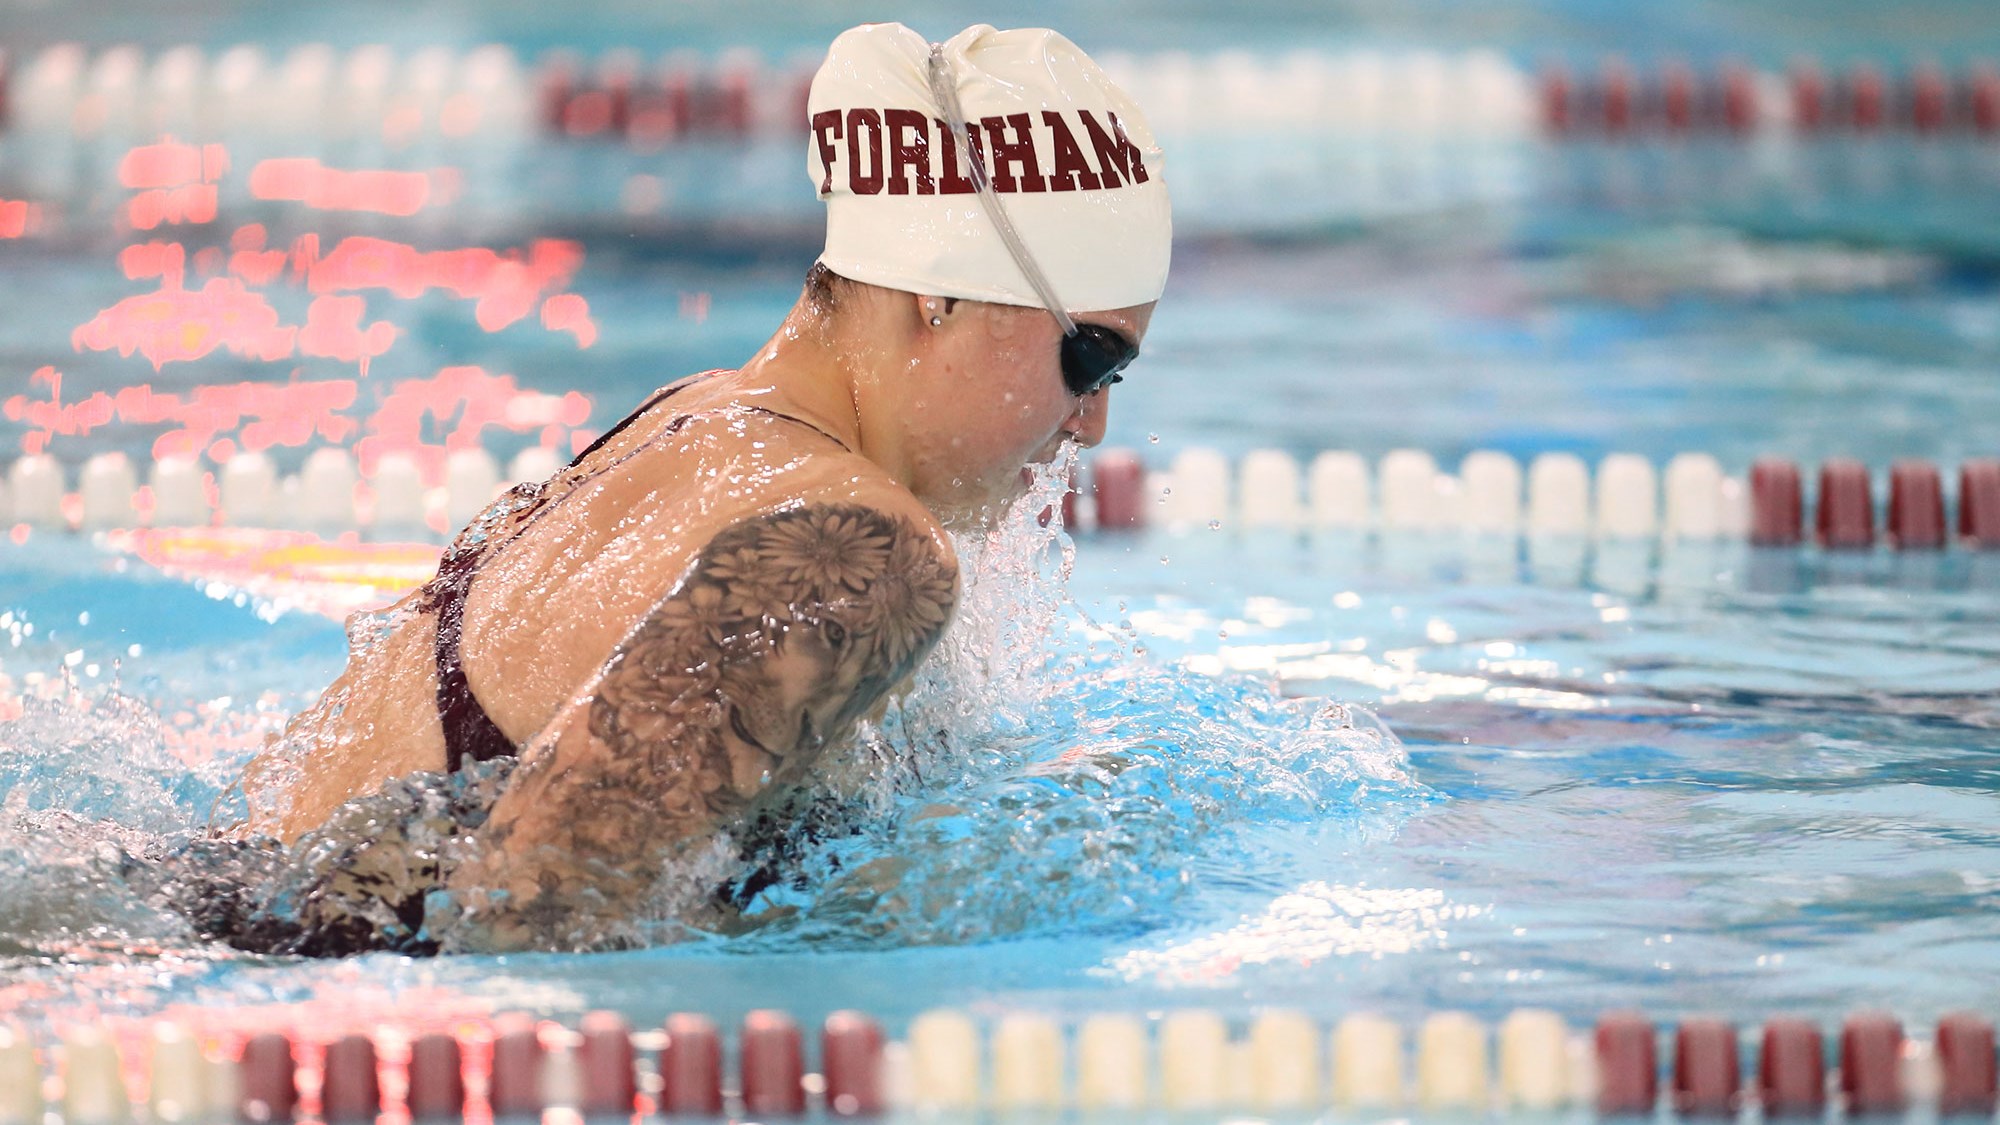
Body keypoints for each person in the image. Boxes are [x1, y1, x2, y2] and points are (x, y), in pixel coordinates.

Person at [229, 21, 1171, 953]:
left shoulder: (688, 415)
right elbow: (524, 921)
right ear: (942, 292)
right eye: (1090, 359)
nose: (1091, 423)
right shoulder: (857, 553)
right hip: (305, 988)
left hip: (232, 910)